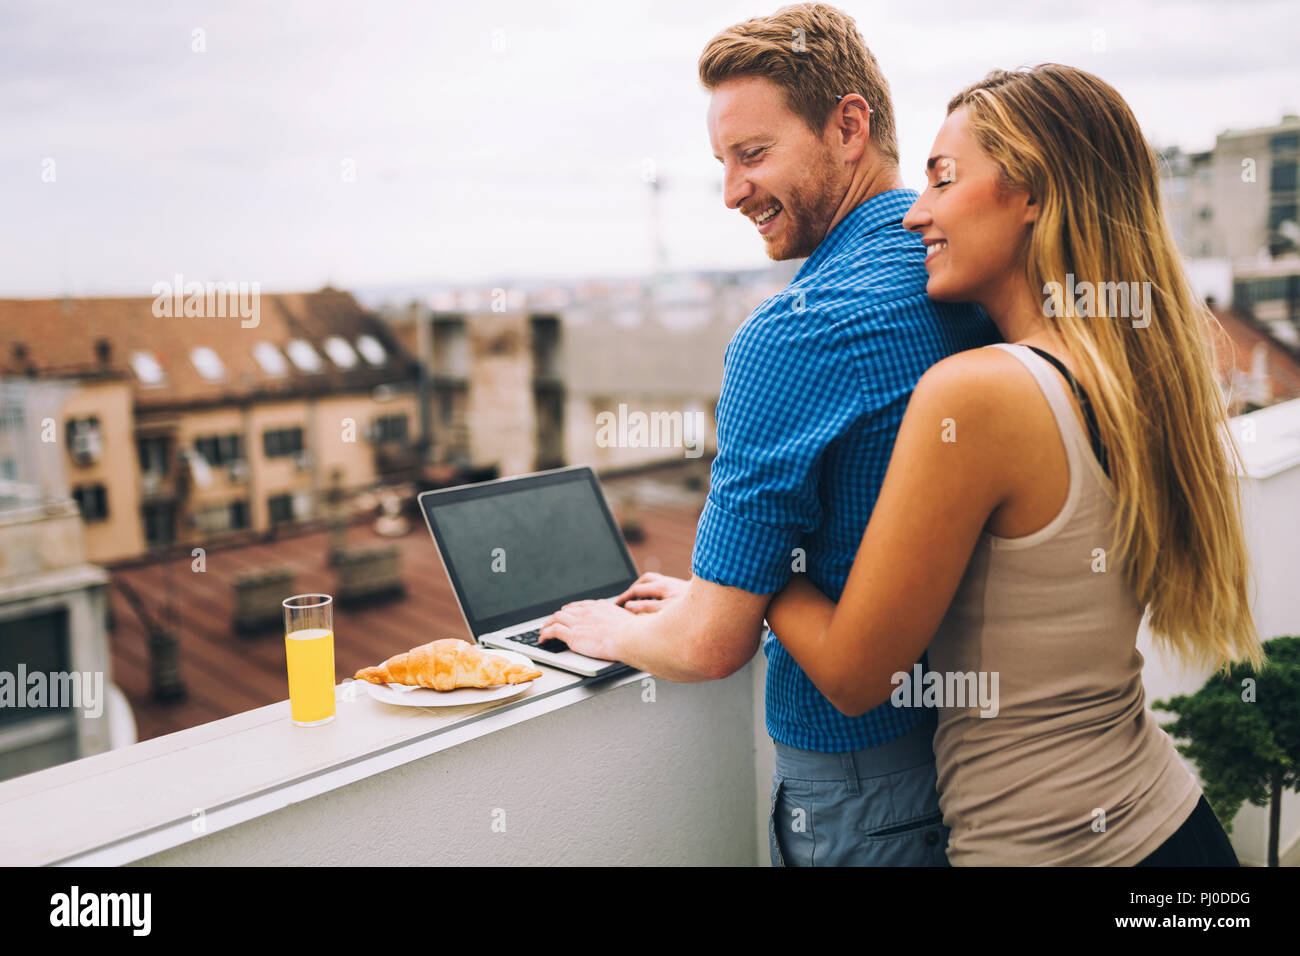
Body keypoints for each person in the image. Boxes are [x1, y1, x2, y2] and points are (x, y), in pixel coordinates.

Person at [762, 63, 1265, 865]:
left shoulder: (981, 392)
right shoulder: (1141, 365)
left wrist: (752, 567)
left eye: (943, 178)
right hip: (1175, 829)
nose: (914, 214)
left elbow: (856, 677)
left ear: (1030, 192)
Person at [539, 3, 997, 865]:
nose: (731, 191)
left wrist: (614, 630)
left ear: (849, 126)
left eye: (753, 155)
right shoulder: (962, 274)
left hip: (861, 788)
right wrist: (730, 591)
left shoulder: (794, 333)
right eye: (722, 162)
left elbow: (712, 648)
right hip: (968, 751)